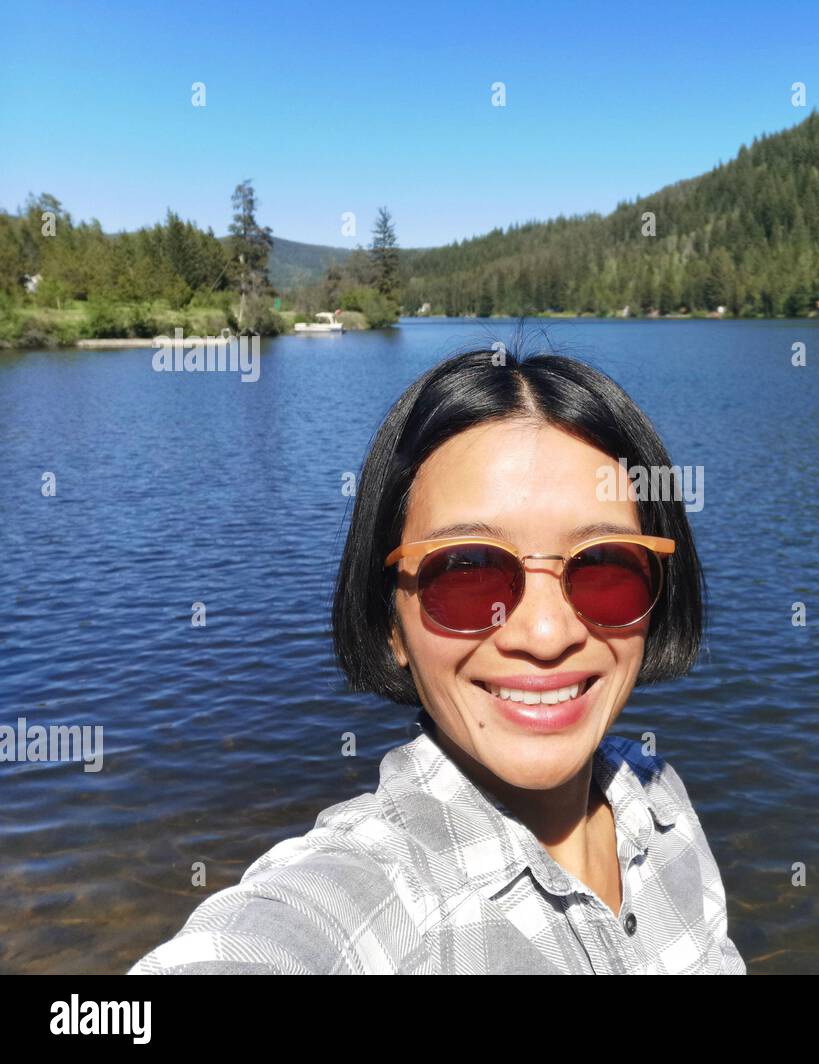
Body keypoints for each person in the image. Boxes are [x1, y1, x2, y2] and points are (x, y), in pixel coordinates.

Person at [128, 341, 745, 974]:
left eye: (606, 567)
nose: (541, 632)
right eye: (467, 572)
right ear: (390, 621)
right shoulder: (375, 892)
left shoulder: (658, 798)